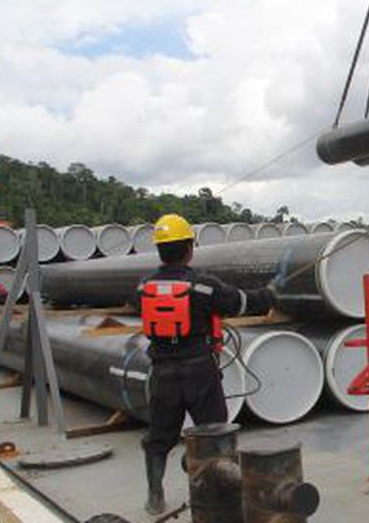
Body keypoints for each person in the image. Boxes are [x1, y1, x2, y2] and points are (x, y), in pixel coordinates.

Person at [137, 214, 276, 515]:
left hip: (162, 373)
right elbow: (240, 303)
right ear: (189, 247)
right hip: (199, 371)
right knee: (215, 434)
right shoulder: (203, 286)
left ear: (160, 250)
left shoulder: (144, 285)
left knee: (158, 438)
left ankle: (154, 496)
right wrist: (268, 294)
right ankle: (215, 496)